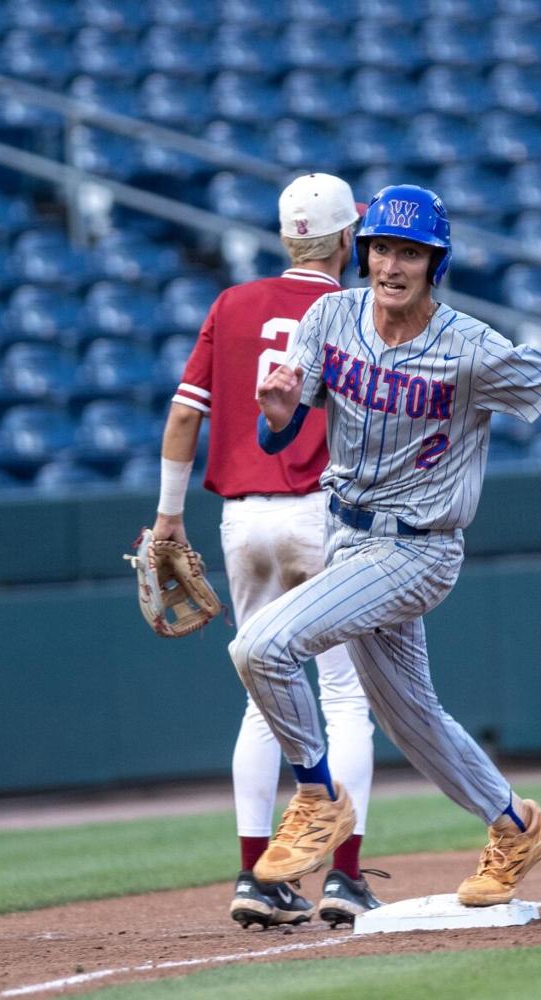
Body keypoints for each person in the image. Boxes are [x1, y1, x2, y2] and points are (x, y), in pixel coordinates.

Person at [234, 184, 541, 907]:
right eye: (381, 249)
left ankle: (316, 795)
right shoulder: (330, 315)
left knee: (259, 647)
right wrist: (277, 419)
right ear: (361, 252)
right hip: (346, 537)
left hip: (419, 550)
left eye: (411, 253)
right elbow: (282, 427)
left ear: (436, 263)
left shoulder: (469, 346)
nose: (392, 265)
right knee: (412, 720)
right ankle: (513, 824)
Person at [152, 173, 383, 928]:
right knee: (346, 696)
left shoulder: (233, 303)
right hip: (324, 512)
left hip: (242, 519)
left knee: (263, 700)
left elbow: (185, 419)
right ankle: (343, 879)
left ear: (288, 237)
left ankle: (259, 877)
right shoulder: (355, 308)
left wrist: (166, 523)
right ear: (347, 239)